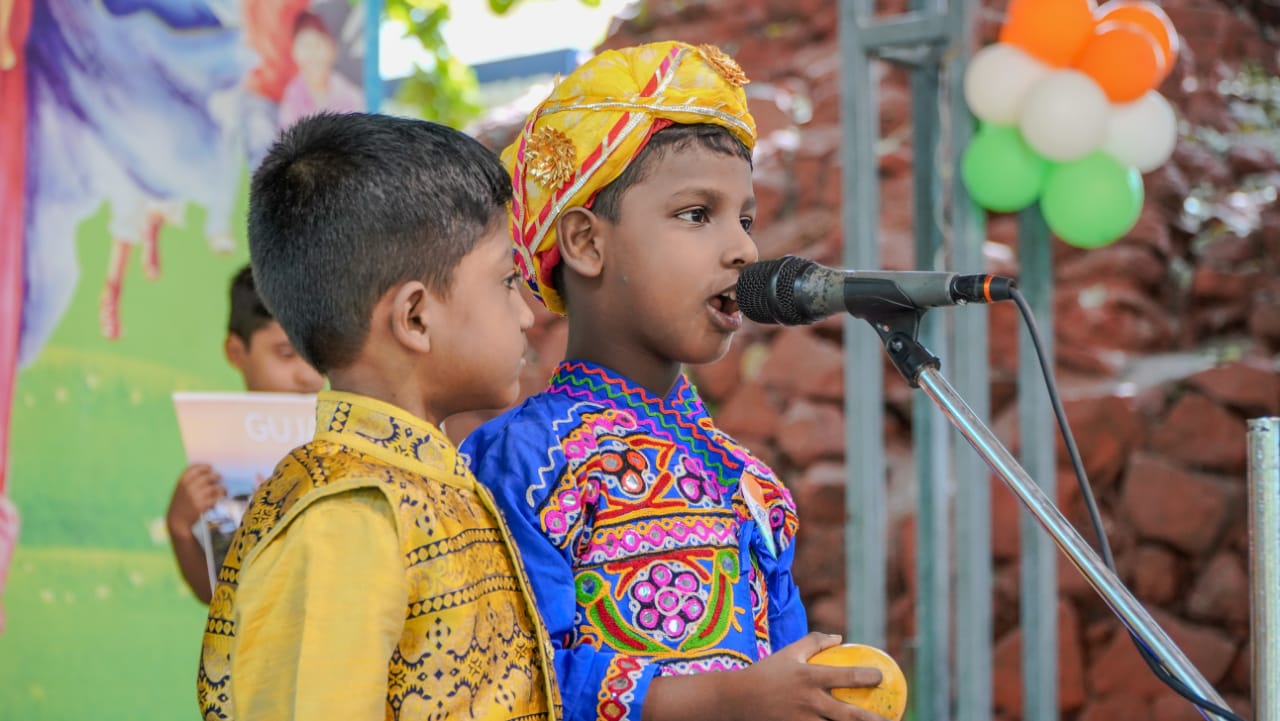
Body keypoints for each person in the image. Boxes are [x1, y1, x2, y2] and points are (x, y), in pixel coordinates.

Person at [462, 41, 888, 721]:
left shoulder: (750, 483)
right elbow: (515, 675)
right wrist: (727, 699)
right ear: (585, 242)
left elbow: (781, 681)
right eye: (697, 213)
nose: (744, 248)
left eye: (745, 218)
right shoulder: (523, 460)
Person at [197, 112, 562, 721]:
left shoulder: (435, 481)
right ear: (415, 317)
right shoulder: (345, 516)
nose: (527, 315)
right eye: (505, 281)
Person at [165, 264, 324, 604]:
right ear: (236, 352)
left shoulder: (344, 434)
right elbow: (218, 597)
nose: (310, 376)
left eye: (318, 354)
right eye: (286, 354)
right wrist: (180, 528)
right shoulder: (222, 458)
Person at [276, 10, 363, 131]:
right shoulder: (292, 97)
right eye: (305, 46)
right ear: (294, 52)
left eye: (317, 45)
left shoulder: (350, 96)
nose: (312, 54)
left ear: (332, 49)